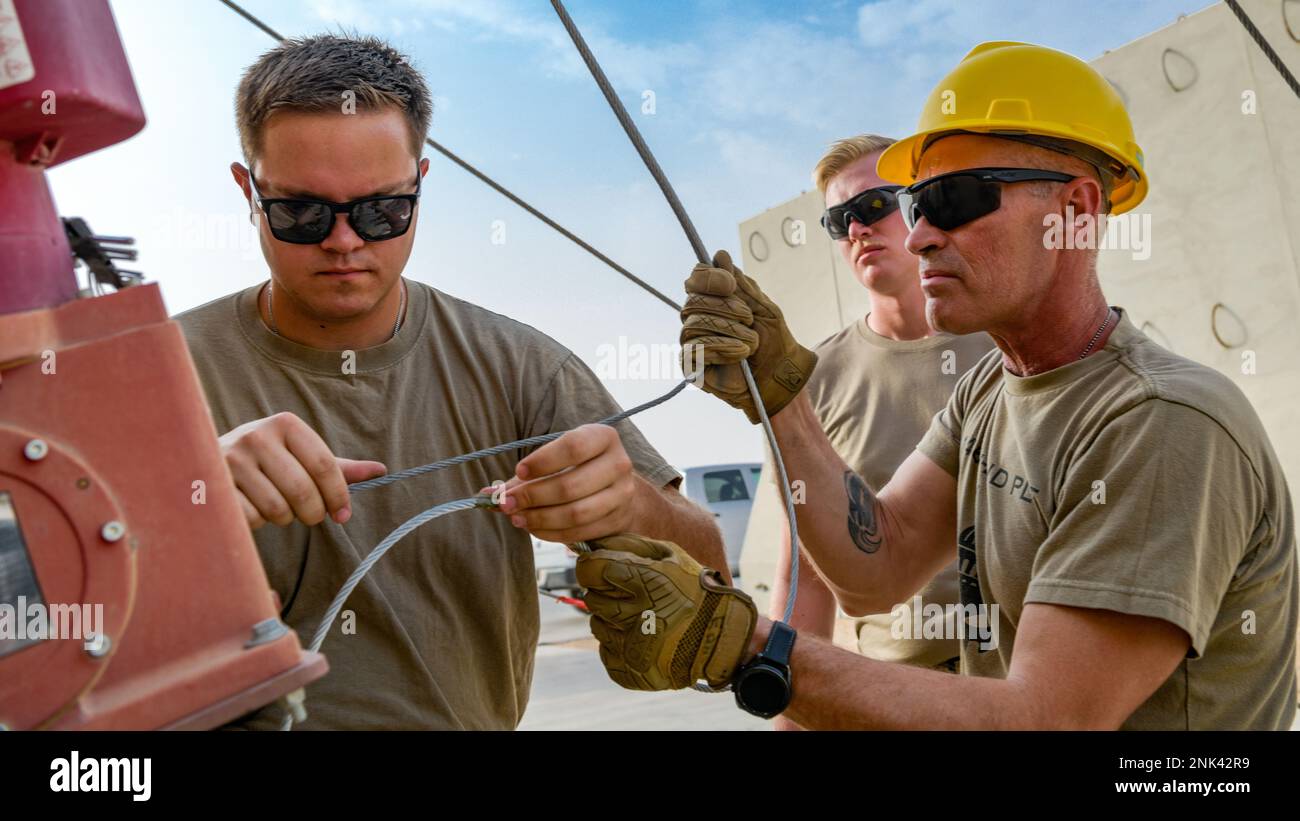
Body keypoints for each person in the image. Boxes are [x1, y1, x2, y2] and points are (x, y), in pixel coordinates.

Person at [571, 41, 1297, 729]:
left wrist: (739, 643)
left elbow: (1049, 718)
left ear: (1075, 213)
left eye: (955, 200)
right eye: (918, 205)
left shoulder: (1162, 422)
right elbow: (875, 567)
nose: (919, 234)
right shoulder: (990, 388)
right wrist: (785, 396)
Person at [176, 34, 725, 730]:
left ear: (421, 185)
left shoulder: (520, 368)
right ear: (246, 189)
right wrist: (183, 501)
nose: (345, 242)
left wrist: (632, 506)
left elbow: (714, 573)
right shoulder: (160, 373)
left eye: (381, 211)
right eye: (302, 213)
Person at [765, 134, 995, 732]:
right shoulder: (808, 383)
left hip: (1022, 693)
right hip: (894, 700)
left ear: (921, 204)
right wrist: (789, 719)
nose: (857, 230)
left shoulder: (1012, 343)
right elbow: (804, 574)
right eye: (838, 221)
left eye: (872, 207)